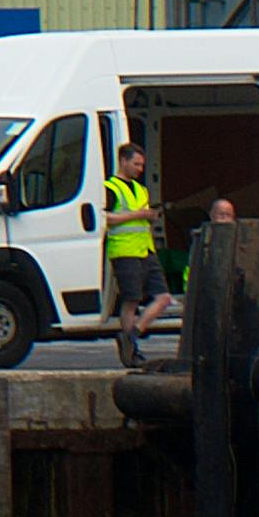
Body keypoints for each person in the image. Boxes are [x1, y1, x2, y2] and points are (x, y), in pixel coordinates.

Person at [103, 136, 167, 360]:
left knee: (164, 297)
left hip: (145, 249)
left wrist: (150, 217)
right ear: (123, 161)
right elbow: (106, 218)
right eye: (136, 164)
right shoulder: (109, 187)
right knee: (131, 299)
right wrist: (138, 215)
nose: (140, 169)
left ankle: (131, 336)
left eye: (142, 165)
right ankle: (132, 349)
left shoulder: (141, 190)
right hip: (124, 251)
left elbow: (139, 218)